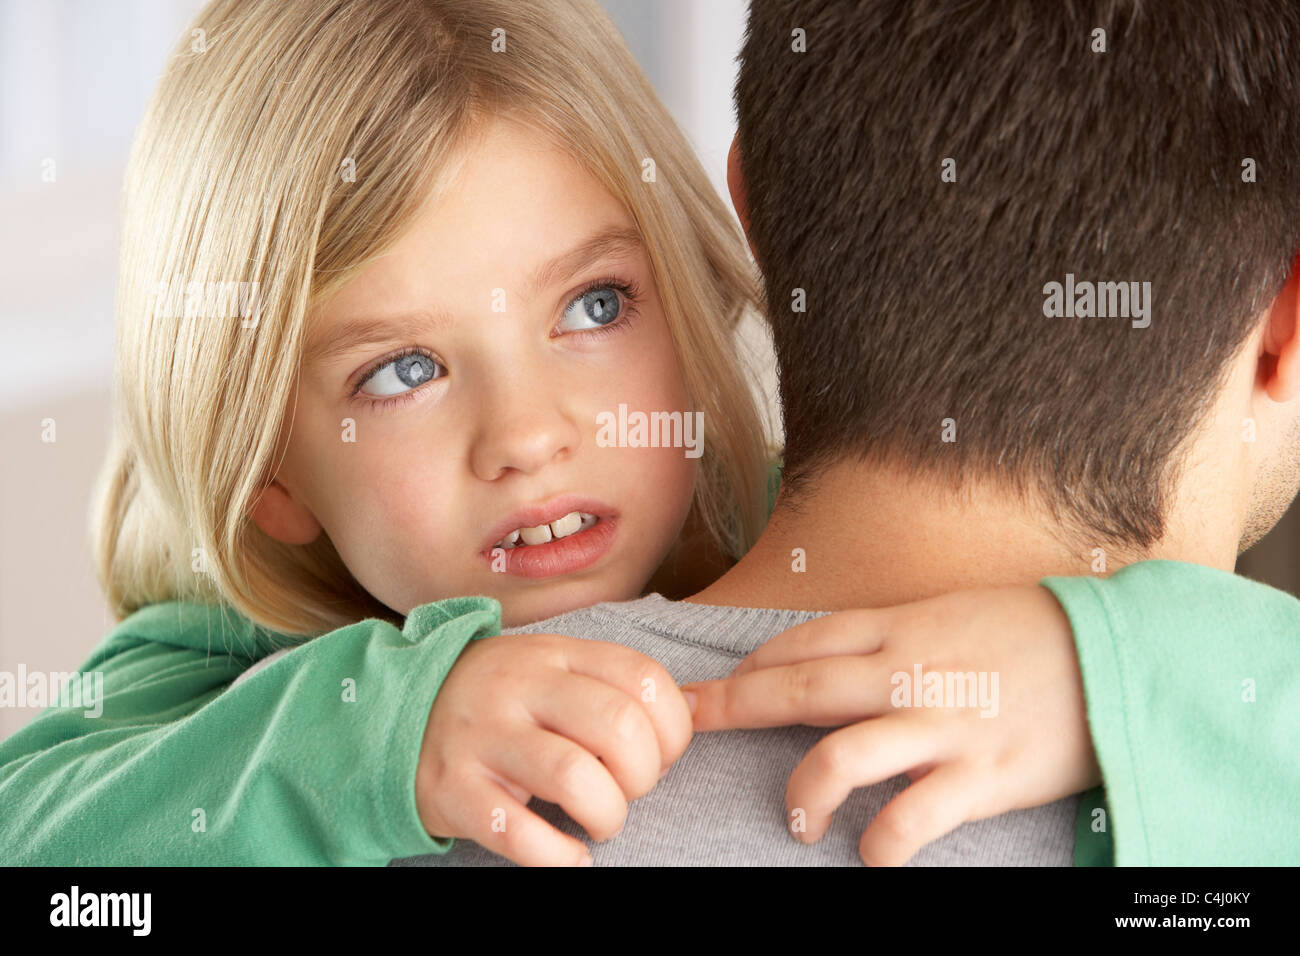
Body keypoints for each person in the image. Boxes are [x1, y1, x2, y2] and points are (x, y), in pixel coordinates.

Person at [400, 0, 1300, 866]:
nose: (525, 436)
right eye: (403, 370)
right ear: (1284, 324)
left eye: (595, 306)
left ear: (752, 207)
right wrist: (1151, 685)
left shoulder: (423, 787)